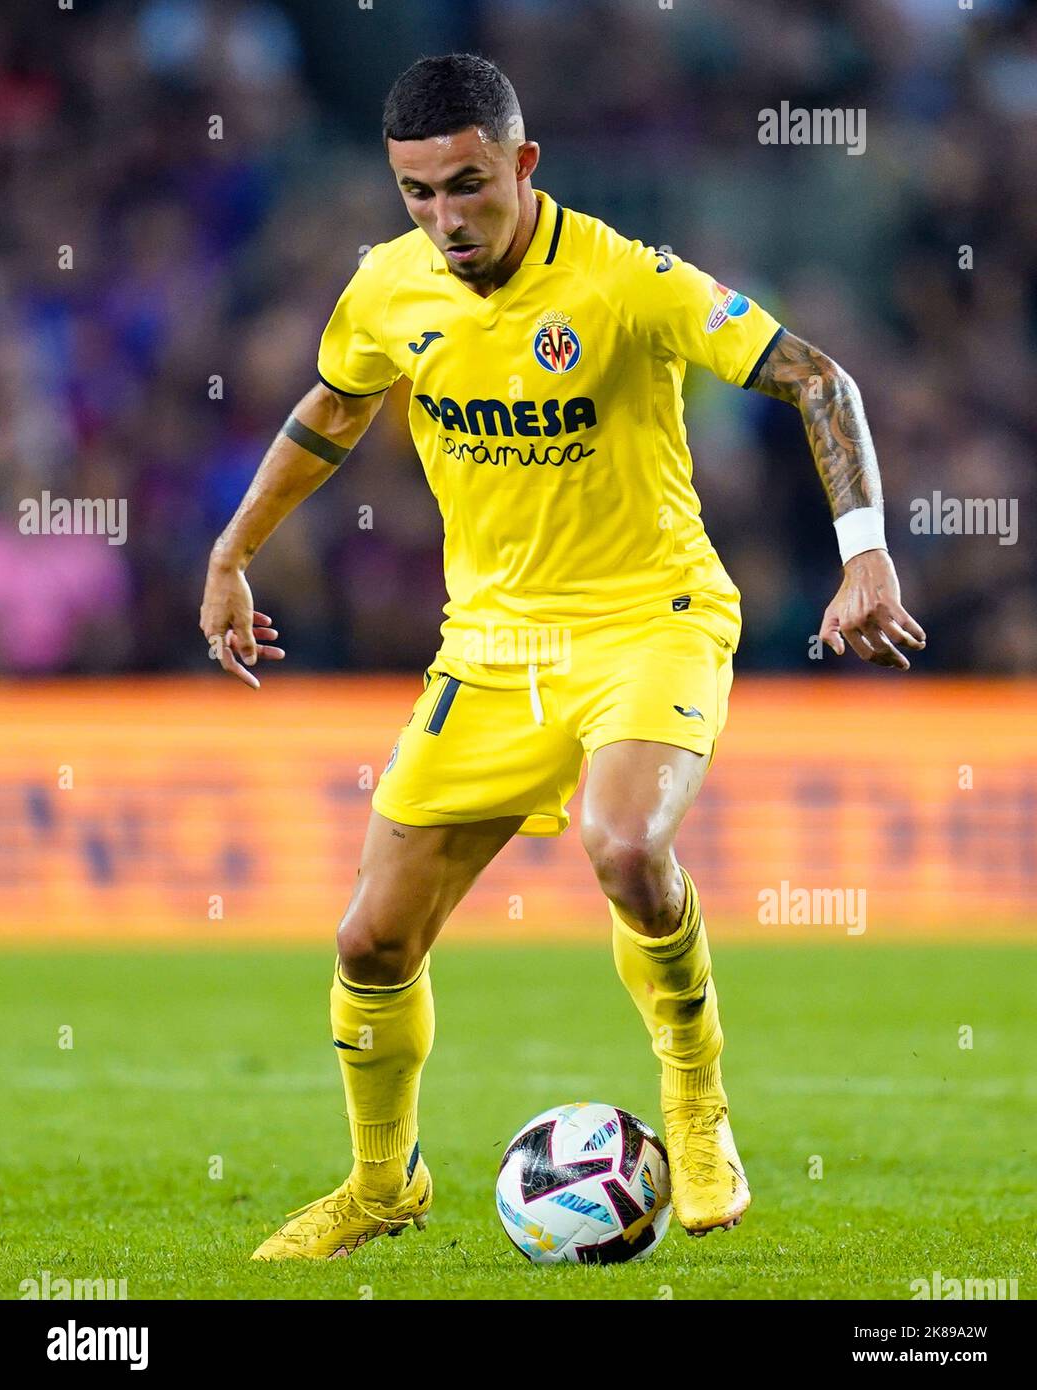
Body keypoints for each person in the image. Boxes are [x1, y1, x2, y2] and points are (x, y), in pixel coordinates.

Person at [199, 53, 925, 1261]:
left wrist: (865, 555)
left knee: (625, 844)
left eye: (467, 186)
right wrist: (233, 553)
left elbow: (818, 378)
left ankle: (694, 1101)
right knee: (369, 941)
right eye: (417, 192)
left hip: (650, 618)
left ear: (522, 163)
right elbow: (333, 407)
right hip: (490, 646)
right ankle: (382, 1183)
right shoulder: (386, 287)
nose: (443, 219)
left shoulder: (627, 279)